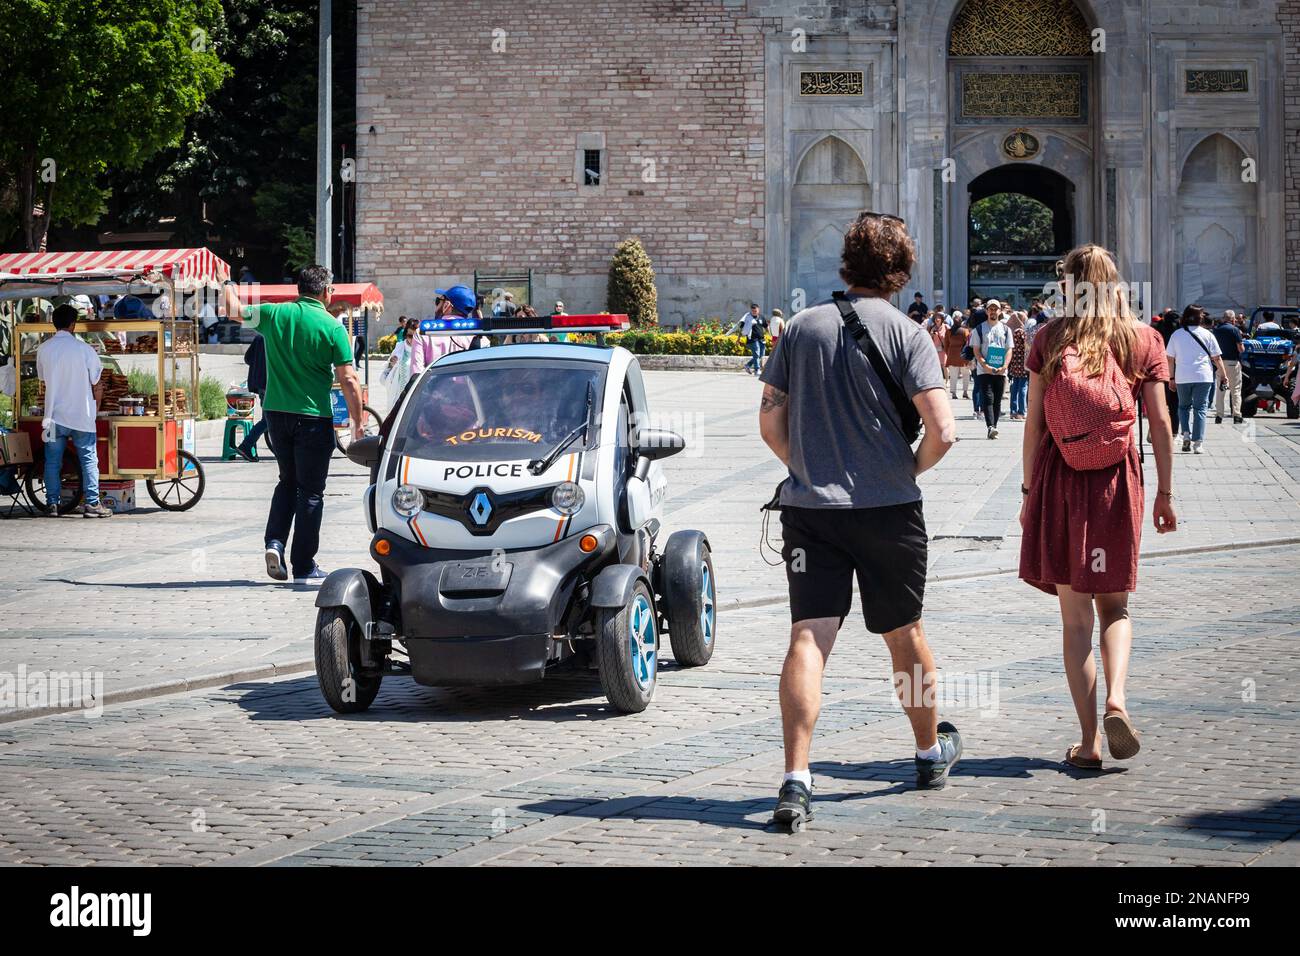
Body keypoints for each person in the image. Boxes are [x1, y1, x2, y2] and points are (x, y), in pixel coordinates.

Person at [758, 211, 960, 829]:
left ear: (846, 262)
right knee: (904, 636)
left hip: (811, 512)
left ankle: (796, 779)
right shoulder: (909, 333)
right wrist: (903, 473)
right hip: (889, 510)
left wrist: (811, 467)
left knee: (808, 639)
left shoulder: (800, 327)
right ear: (901, 272)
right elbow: (944, 431)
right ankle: (928, 752)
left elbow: (769, 420)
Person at [1019, 243, 1177, 771]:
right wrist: (1165, 492)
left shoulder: (1048, 338)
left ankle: (1088, 743)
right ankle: (1118, 700)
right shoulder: (1142, 339)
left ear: (1070, 284)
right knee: (1116, 608)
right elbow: (1158, 425)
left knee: (1074, 624)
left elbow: (1034, 424)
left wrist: (1026, 493)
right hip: (1117, 481)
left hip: (1060, 481)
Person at [223, 265, 364, 585]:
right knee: (311, 492)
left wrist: (227, 282)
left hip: (275, 415)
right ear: (328, 293)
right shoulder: (332, 327)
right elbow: (349, 379)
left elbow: (231, 309)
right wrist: (357, 422)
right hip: (313, 417)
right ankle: (303, 564)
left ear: (298, 289)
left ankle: (274, 542)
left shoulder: (275, 314)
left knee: (287, 481)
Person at [35, 304, 111, 517]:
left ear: (54, 323)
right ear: (73, 324)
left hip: (52, 418)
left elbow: (42, 378)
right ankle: (92, 503)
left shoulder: (44, 349)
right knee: (88, 459)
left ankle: (52, 504)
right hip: (81, 417)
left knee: (52, 462)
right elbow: (96, 380)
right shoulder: (84, 349)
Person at [1166, 305, 1227, 454]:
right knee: (1200, 409)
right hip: (1203, 376)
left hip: (1182, 376)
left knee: (1183, 407)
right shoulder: (1208, 334)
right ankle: (1198, 443)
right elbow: (1217, 358)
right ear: (1200, 318)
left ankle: (1185, 434)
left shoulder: (1177, 335)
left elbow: (1170, 359)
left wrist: (1171, 378)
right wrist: (1224, 376)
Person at [410, 287, 475, 374]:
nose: (437, 305)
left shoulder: (423, 333)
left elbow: (416, 374)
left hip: (432, 387)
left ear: (446, 305)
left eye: (438, 301)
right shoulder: (479, 336)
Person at [971, 299, 1011, 438]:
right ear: (987, 311)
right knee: (988, 397)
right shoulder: (979, 329)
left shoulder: (1006, 329)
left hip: (1000, 370)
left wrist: (1005, 365)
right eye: (990, 309)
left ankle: (995, 426)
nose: (993, 311)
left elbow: (1009, 349)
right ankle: (990, 427)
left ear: (1000, 311)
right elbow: (976, 349)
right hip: (984, 370)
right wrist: (984, 364)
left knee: (997, 399)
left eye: (996, 309)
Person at [234, 333, 270, 463]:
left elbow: (248, 358)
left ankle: (247, 445)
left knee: (269, 419)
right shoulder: (276, 335)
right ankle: (246, 445)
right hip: (271, 384)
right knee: (268, 420)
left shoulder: (260, 336)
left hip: (260, 384)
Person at [1212, 310, 1244, 424]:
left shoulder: (1216, 330)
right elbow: (1241, 349)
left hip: (1220, 363)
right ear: (1232, 319)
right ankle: (1237, 415)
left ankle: (1219, 415)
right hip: (1233, 363)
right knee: (1235, 390)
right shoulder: (1234, 330)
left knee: (1221, 390)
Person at [730, 303, 768, 376]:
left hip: (761, 339)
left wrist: (770, 334)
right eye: (753, 311)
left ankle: (748, 365)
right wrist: (738, 339)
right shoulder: (747, 318)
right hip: (752, 339)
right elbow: (741, 329)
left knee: (761, 354)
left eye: (755, 311)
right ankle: (757, 370)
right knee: (756, 353)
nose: (754, 312)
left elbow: (766, 326)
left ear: (758, 310)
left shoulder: (761, 317)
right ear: (751, 310)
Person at [944, 313, 971, 400]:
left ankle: (954, 393)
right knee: (966, 374)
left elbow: (946, 345)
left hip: (952, 355)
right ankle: (965, 392)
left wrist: (949, 353)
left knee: (953, 375)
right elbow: (968, 343)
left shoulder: (948, 331)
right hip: (963, 356)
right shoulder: (965, 331)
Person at [1008, 325, 1029, 420]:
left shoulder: (1012, 345)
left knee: (1014, 389)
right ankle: (1021, 411)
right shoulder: (1025, 347)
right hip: (1023, 369)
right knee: (1023, 389)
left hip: (1014, 368)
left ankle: (1013, 411)